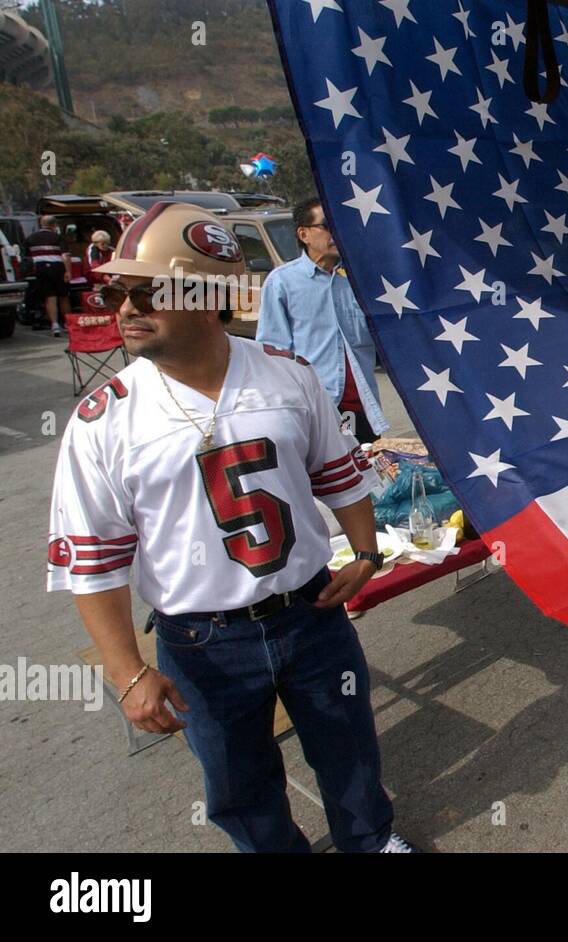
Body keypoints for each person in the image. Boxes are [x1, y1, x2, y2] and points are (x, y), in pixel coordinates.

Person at [47, 202, 416, 853]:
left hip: (312, 615)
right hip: (201, 640)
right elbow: (93, 561)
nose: (124, 308)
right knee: (238, 784)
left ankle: (371, 841)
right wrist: (126, 670)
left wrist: (365, 552)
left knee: (349, 749)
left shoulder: (288, 374)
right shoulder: (104, 420)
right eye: (114, 291)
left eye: (145, 291)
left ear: (206, 295)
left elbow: (339, 475)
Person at [257, 198, 389, 443]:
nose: (336, 233)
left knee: (368, 474)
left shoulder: (360, 280)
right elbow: (273, 352)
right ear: (304, 234)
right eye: (327, 225)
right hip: (313, 407)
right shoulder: (283, 282)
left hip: (361, 406)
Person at [23, 214, 71, 335]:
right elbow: (66, 256)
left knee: (50, 297)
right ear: (54, 225)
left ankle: (54, 325)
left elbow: (27, 258)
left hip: (40, 269)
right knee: (63, 296)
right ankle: (68, 323)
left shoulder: (30, 239)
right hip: (57, 268)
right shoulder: (58, 237)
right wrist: (68, 271)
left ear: (41, 224)